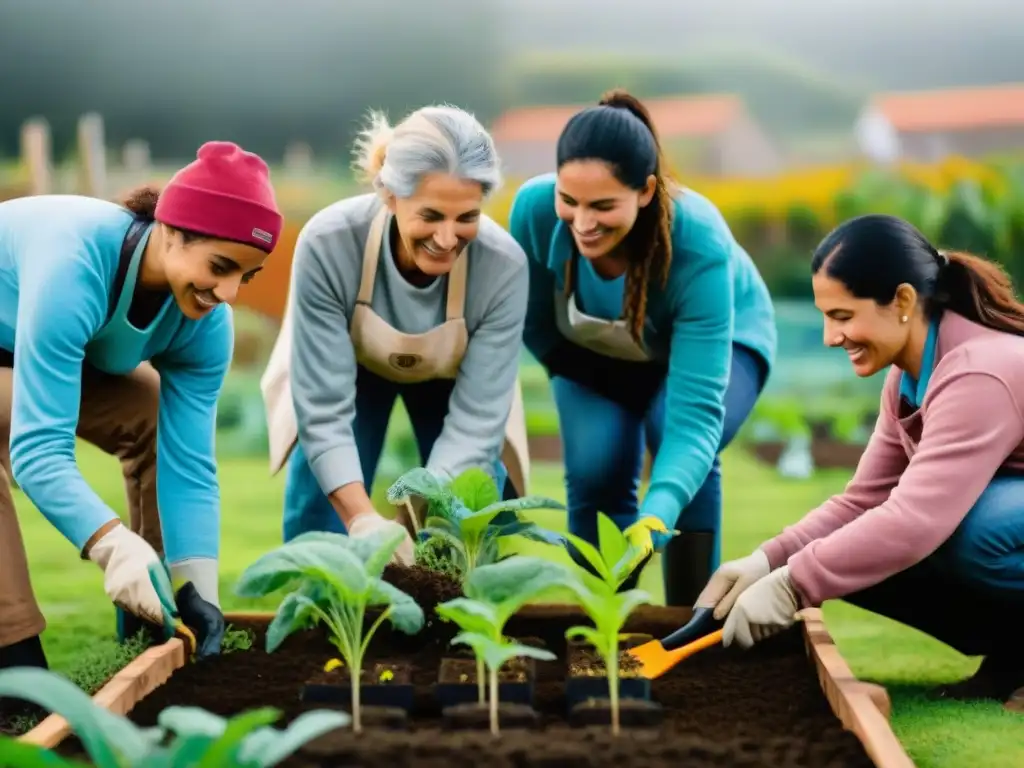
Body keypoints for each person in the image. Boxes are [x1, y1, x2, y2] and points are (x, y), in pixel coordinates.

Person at [700, 214, 1024, 708]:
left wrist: (793, 584)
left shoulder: (980, 372)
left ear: (902, 302)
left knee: (974, 529)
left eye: (843, 316)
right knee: (851, 549)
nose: (831, 336)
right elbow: (861, 502)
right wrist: (768, 559)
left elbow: (915, 520)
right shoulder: (910, 379)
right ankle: (1014, 657)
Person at [0, 141, 283, 674]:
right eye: (220, 266)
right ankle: (15, 666)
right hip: (18, 337)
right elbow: (39, 450)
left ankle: (152, 618)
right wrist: (109, 544)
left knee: (147, 411)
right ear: (172, 231)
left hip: (42, 346)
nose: (228, 295)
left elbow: (191, 467)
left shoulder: (205, 325)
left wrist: (197, 586)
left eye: (245, 276)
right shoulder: (75, 264)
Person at [508, 89, 777, 606]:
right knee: (595, 462)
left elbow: (695, 419)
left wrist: (658, 512)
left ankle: (688, 618)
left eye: (604, 206)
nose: (583, 222)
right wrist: (607, 392)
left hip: (729, 342)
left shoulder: (696, 242)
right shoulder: (534, 212)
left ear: (647, 190)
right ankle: (610, 626)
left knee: (674, 441)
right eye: (571, 200)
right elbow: (536, 324)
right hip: (593, 353)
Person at [261, 104, 531, 555]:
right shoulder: (330, 243)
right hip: (349, 373)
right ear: (388, 193)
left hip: (456, 383)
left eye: (466, 217)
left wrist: (422, 512)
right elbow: (324, 412)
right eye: (430, 216)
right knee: (320, 509)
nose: (447, 238)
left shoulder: (502, 266)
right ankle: (321, 618)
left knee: (471, 513)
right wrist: (364, 519)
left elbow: (478, 423)